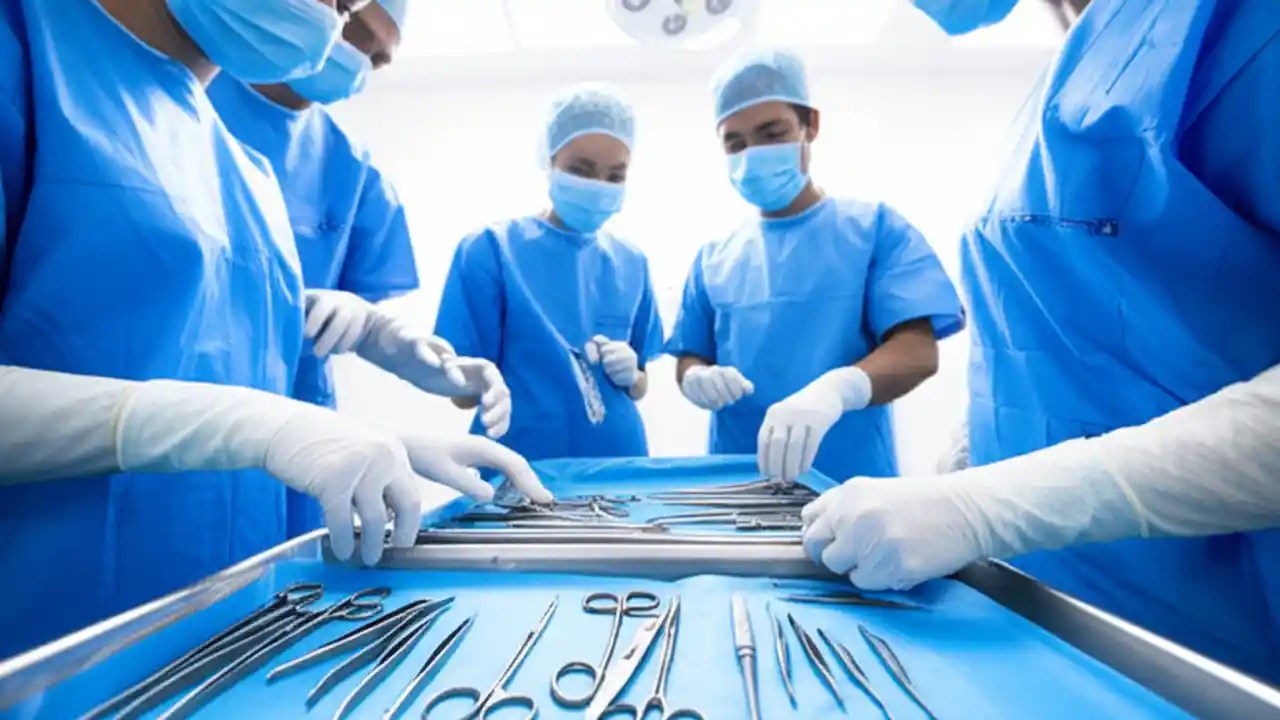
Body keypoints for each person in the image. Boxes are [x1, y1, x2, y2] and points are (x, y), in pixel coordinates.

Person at [0, 0, 542, 658]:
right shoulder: (24, 49)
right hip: (45, 658)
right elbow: (231, 419)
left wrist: (368, 439)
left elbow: (237, 400)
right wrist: (251, 426)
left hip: (234, 641)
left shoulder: (247, 177)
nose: (345, 12)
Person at [802, 0, 1280, 683]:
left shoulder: (1245, 27)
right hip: (1036, 613)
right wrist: (976, 454)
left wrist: (989, 506)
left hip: (1205, 647)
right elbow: (1062, 327)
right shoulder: (1081, 60)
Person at [207, 0, 512, 538]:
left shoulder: (348, 163)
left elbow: (364, 316)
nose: (360, 59)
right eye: (355, 26)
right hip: (154, 436)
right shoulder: (192, 95)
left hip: (305, 433)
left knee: (281, 591)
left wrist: (395, 344)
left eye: (379, 58)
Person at [665, 48, 965, 486]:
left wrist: (837, 391)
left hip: (849, 483)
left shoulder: (873, 229)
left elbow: (918, 350)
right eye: (736, 143)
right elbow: (691, 354)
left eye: (772, 133)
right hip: (736, 485)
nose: (753, 154)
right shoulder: (714, 256)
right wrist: (695, 377)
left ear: (811, 126)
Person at [434, 83, 665, 462]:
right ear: (549, 161)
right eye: (581, 169)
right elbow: (461, 394)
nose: (599, 186)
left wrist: (631, 375)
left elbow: (639, 386)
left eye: (615, 175)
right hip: (519, 463)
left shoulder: (631, 261)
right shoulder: (491, 249)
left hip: (617, 463)